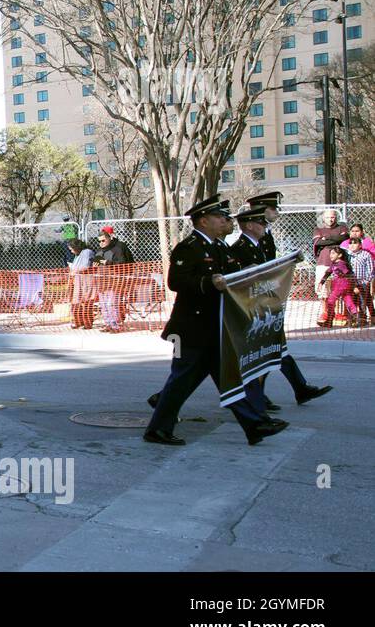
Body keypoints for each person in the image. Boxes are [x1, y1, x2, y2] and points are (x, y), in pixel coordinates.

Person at [143, 195, 286, 447]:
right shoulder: (189, 247)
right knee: (182, 380)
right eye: (220, 217)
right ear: (203, 220)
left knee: (226, 379)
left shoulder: (220, 247)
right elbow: (176, 282)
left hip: (215, 327)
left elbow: (235, 276)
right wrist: (209, 282)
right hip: (191, 328)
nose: (225, 221)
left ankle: (254, 424)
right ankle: (157, 429)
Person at [239, 191, 333, 409]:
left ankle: (295, 389)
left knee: (275, 349)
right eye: (272, 209)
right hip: (255, 304)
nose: (276, 212)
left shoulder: (266, 235)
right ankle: (263, 396)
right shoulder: (248, 242)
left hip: (267, 301)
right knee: (267, 350)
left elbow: (268, 266)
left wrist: (289, 261)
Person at [94, 226, 135, 333]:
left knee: (112, 303)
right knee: (103, 305)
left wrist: (108, 263)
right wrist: (94, 264)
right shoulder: (99, 251)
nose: (101, 243)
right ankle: (108, 324)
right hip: (102, 282)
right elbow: (96, 264)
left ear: (109, 238)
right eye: (99, 241)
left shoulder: (118, 248)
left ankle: (116, 325)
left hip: (114, 281)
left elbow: (122, 264)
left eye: (103, 240)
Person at [317, 242, 361, 328]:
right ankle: (356, 318)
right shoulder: (334, 264)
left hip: (341, 284)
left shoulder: (341, 264)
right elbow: (328, 273)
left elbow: (349, 274)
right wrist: (321, 283)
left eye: (333, 253)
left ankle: (329, 321)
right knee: (348, 300)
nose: (330, 255)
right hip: (343, 285)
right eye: (330, 253)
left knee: (330, 301)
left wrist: (356, 286)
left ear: (340, 255)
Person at [312, 209, 349, 300]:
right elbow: (318, 242)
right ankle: (325, 312)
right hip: (323, 262)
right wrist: (336, 239)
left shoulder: (342, 228)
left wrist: (327, 238)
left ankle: (338, 313)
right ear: (324, 219)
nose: (330, 219)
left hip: (340, 263)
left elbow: (344, 238)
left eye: (332, 217)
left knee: (340, 288)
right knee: (323, 290)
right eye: (327, 217)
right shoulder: (318, 230)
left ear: (336, 218)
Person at [67, 238, 96, 330]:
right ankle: (78, 321)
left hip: (87, 280)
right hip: (77, 281)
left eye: (71, 249)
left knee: (87, 302)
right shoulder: (77, 255)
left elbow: (86, 266)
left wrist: (75, 270)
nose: (71, 251)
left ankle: (87, 323)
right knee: (75, 302)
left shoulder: (87, 252)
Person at [345, 236, 373, 327]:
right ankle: (351, 318)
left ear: (360, 245)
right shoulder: (347, 255)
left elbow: (370, 269)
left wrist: (366, 281)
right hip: (350, 282)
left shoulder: (365, 254)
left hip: (362, 282)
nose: (352, 245)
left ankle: (362, 318)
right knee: (351, 300)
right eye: (350, 243)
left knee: (362, 300)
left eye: (355, 243)